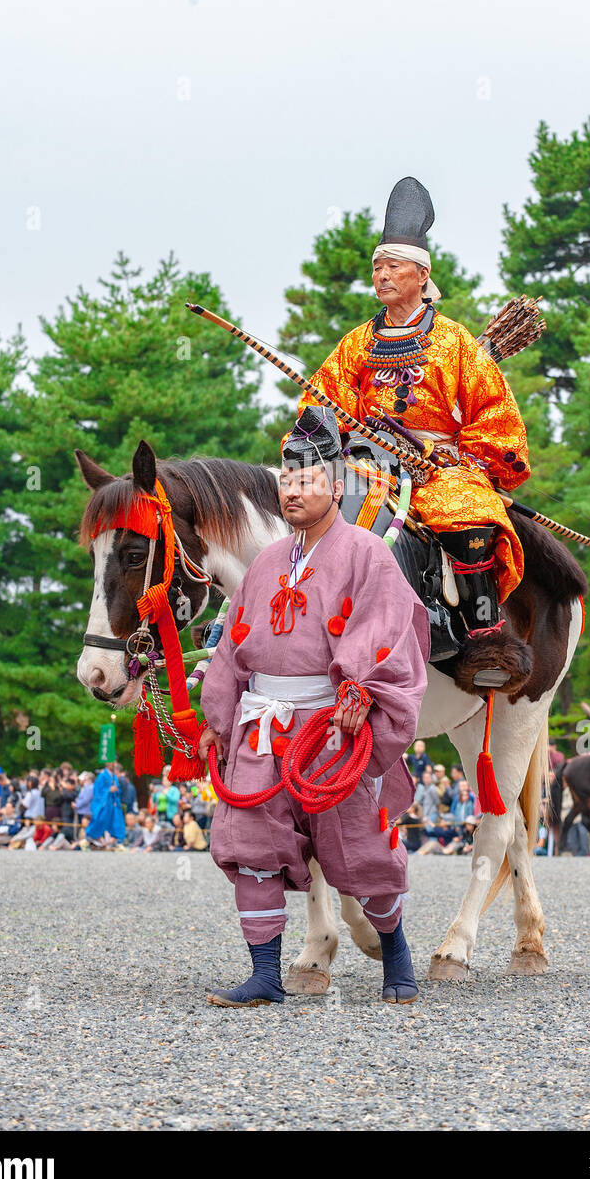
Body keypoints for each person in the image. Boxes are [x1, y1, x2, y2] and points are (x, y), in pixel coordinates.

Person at [199, 406, 429, 1007]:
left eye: (307, 480)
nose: (293, 491)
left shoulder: (367, 552)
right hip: (261, 725)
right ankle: (265, 975)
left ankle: (396, 954)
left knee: (358, 844)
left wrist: (359, 688)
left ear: (336, 485)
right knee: (249, 840)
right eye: (287, 480)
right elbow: (233, 644)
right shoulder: (267, 561)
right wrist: (217, 717)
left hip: (331, 725)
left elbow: (385, 627)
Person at [295, 176, 531, 695]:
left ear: (422, 274)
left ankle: (484, 638)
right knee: (303, 504)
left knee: (465, 508)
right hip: (365, 460)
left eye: (393, 266)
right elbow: (320, 402)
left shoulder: (454, 341)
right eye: (377, 266)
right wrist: (328, 433)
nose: (381, 275)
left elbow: (495, 413)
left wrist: (458, 457)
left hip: (439, 467)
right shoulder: (356, 344)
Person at [87, 762, 126, 844]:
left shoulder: (113, 776)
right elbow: (97, 790)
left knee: (116, 822)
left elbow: (118, 789)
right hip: (104, 804)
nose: (114, 764)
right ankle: (94, 837)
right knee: (100, 820)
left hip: (112, 803)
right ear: (107, 763)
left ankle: (114, 841)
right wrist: (108, 790)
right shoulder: (102, 776)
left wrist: (116, 790)